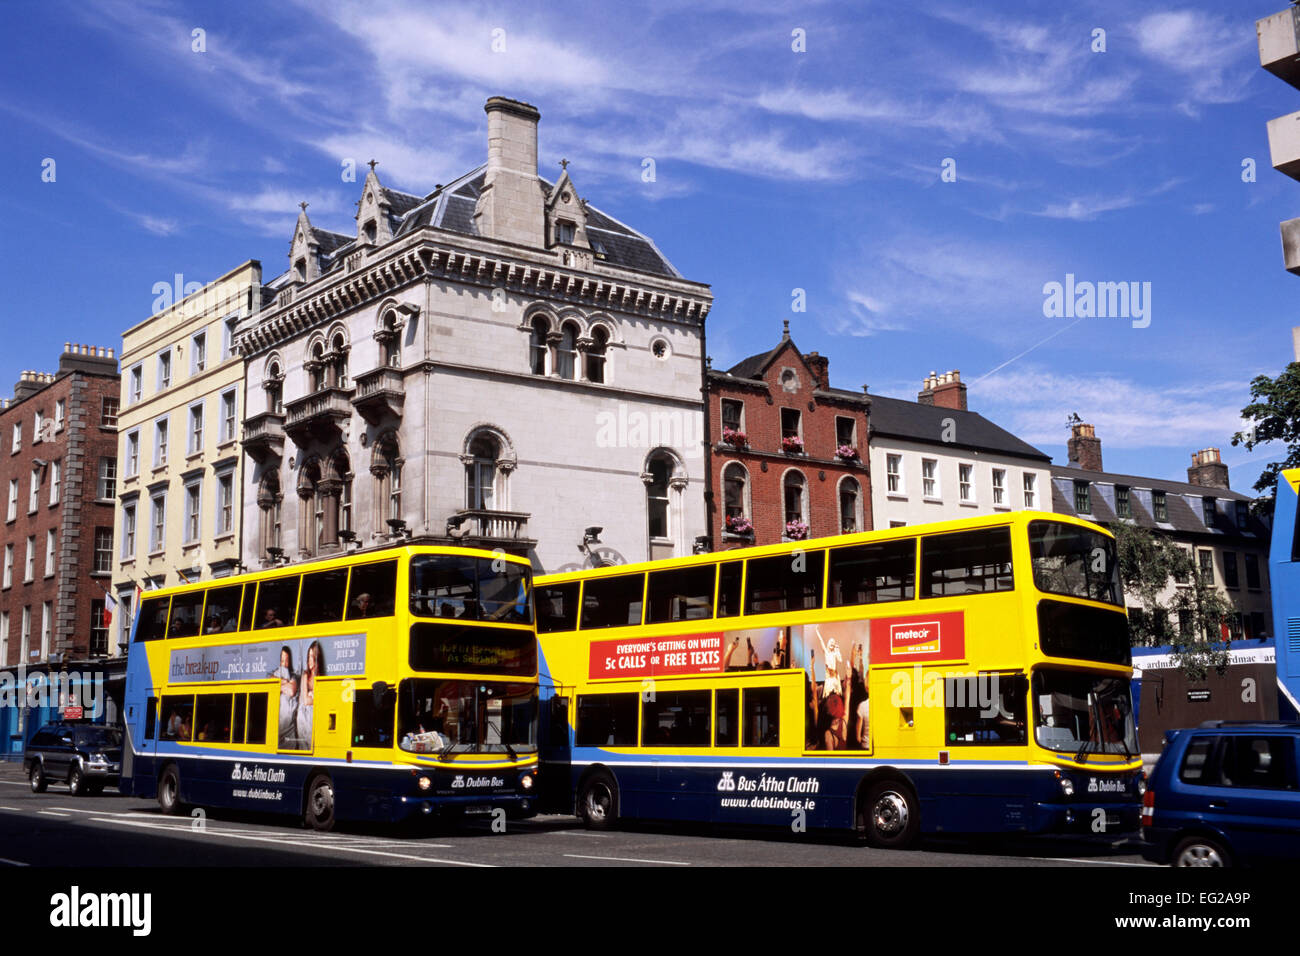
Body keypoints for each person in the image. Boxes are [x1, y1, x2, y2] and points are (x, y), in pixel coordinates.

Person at [296, 641, 324, 750]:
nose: (309, 660)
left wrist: (312, 696)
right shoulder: (305, 676)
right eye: (308, 656)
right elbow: (306, 701)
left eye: (312, 656)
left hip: (315, 717)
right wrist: (316, 698)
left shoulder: (321, 676)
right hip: (304, 717)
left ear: (317, 658)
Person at [272, 646, 298, 748]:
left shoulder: (294, 677)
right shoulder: (273, 675)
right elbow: (271, 685)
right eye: (282, 661)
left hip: (289, 732)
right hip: (277, 730)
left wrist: (279, 686)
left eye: (287, 661)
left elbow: (291, 691)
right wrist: (284, 682)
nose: (285, 664)